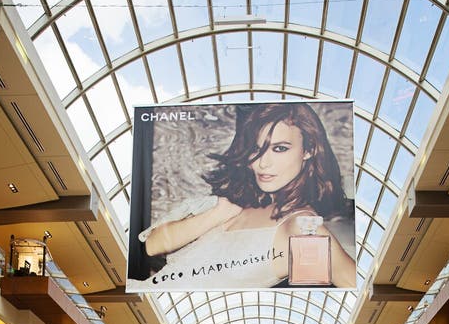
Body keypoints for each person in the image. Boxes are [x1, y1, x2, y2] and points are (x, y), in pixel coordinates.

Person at [130, 103, 355, 291]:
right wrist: (220, 213)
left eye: (279, 148)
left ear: (309, 149)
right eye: (255, 149)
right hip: (149, 297)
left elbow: (353, 283)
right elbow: (151, 245)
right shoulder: (233, 202)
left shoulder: (302, 227)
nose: (261, 163)